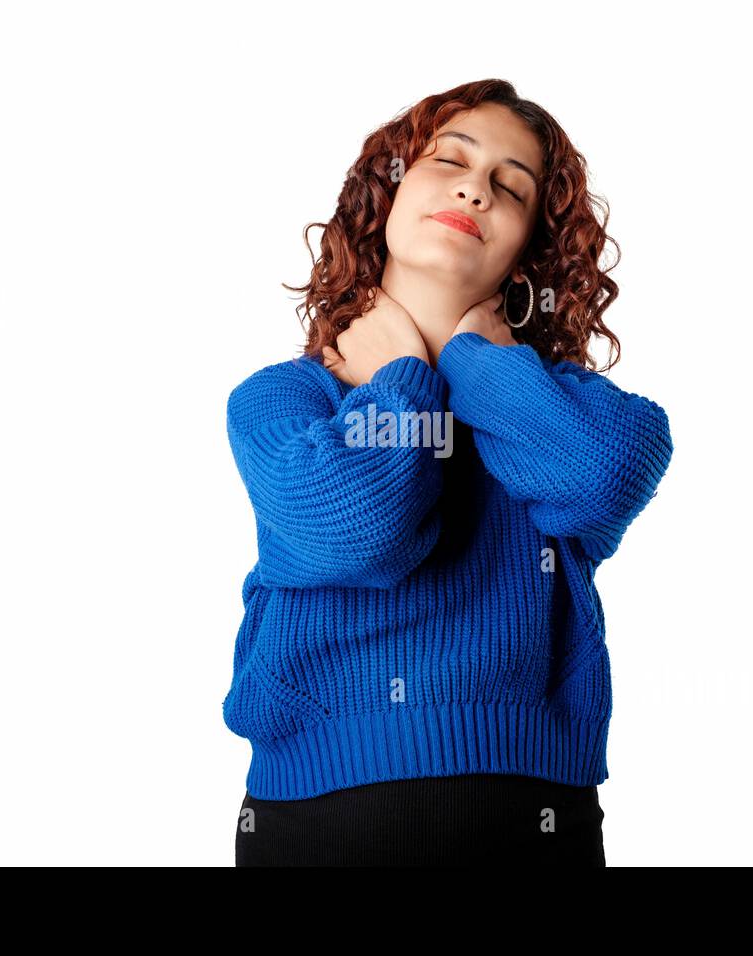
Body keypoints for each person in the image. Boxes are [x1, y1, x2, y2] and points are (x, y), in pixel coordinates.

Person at [223, 78, 674, 866]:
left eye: (512, 185)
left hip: (533, 814)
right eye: (450, 159)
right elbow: (357, 532)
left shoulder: (562, 407)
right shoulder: (287, 397)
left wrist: (474, 360)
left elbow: (603, 474)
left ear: (528, 249)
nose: (476, 186)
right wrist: (403, 373)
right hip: (315, 819)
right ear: (386, 192)